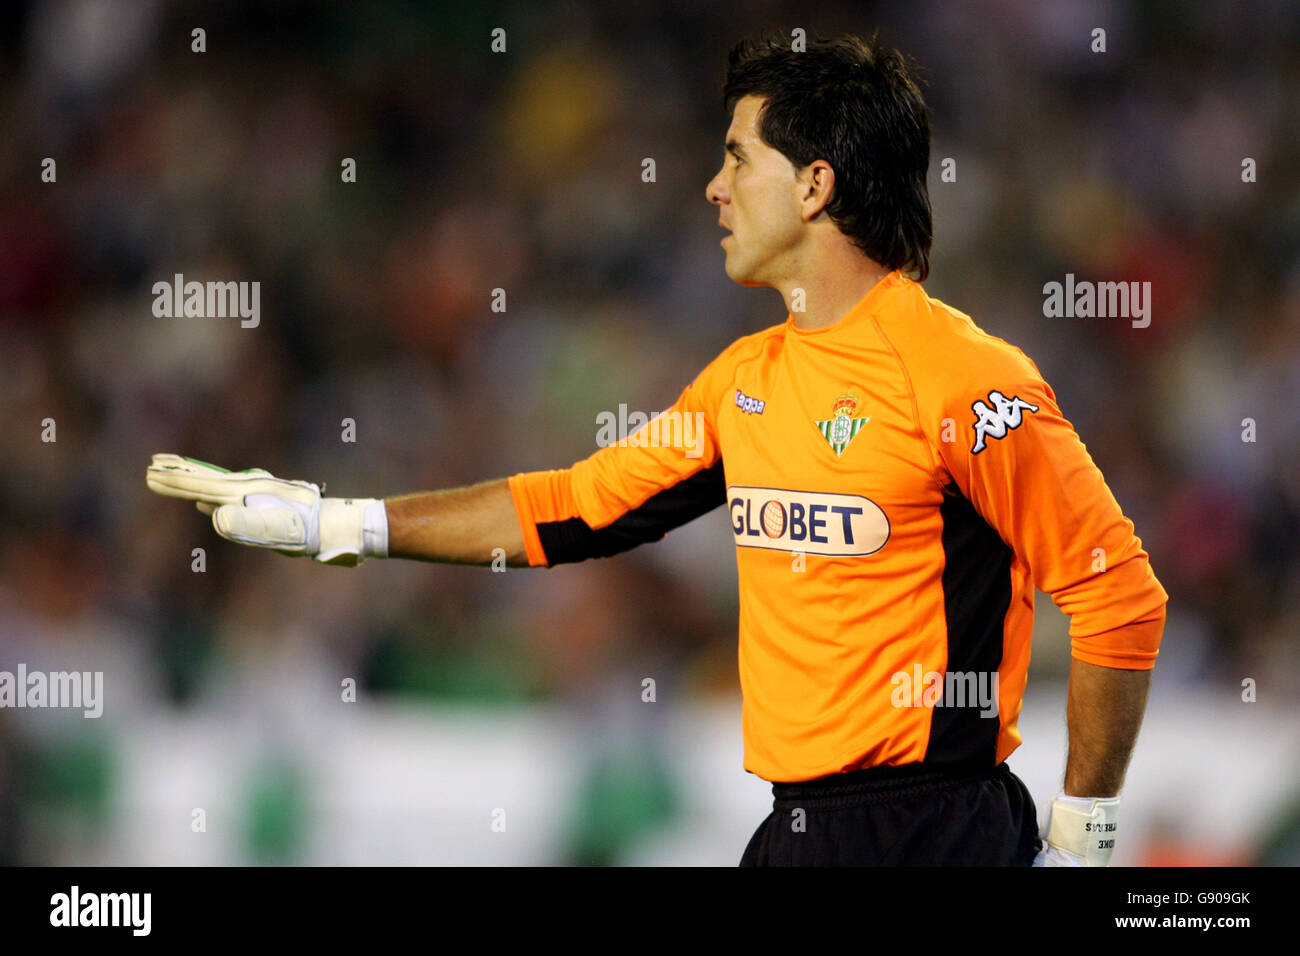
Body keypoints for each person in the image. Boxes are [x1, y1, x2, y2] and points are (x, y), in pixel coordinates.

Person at [146, 32, 1167, 866]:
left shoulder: (964, 375)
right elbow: (575, 505)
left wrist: (1082, 835)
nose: (712, 188)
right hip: (794, 831)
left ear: (814, 185)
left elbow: (1117, 591)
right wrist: (336, 523)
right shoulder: (744, 382)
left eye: (735, 156)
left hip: (938, 833)